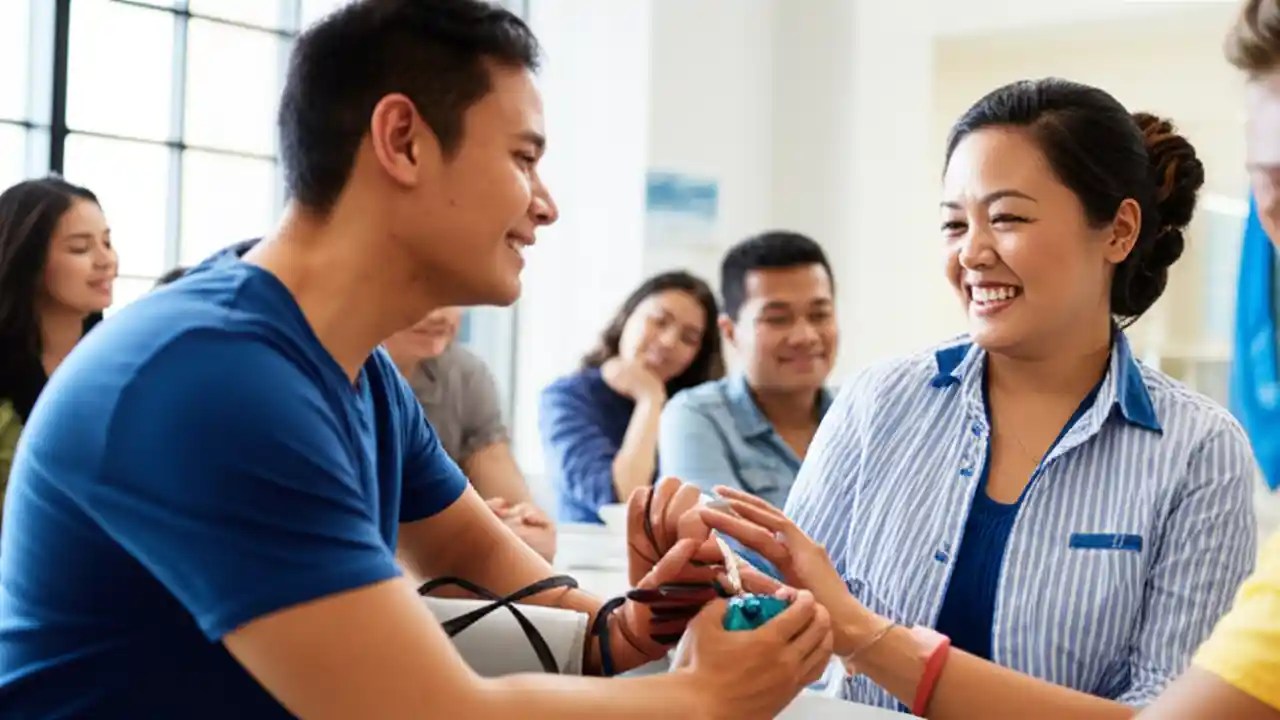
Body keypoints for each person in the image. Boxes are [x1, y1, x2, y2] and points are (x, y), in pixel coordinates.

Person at [0, 2, 831, 718]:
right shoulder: (211, 379)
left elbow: (475, 556)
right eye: (523, 158)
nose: (545, 205)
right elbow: (428, 712)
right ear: (401, 139)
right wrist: (699, 698)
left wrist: (624, 623)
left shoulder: (354, 371)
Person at [699, 78, 1259, 718]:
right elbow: (781, 615)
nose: (971, 252)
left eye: (1008, 218)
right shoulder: (880, 403)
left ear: (1118, 231)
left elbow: (1169, 712)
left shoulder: (1199, 452)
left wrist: (868, 638)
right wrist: (683, 592)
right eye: (954, 223)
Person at [659, 231, 837, 509]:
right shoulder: (695, 416)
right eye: (777, 319)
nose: (805, 336)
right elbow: (722, 537)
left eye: (820, 315)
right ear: (730, 332)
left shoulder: (861, 414)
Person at [540, 271, 724, 524]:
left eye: (689, 338)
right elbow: (621, 500)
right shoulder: (567, 397)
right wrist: (649, 401)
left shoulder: (694, 411)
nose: (669, 341)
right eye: (660, 321)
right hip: (590, 553)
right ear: (627, 316)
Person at [384, 306, 556, 561]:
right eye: (421, 288)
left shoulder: (462, 373)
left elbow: (509, 501)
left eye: (452, 294)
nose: (438, 314)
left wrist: (524, 527)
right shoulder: (324, 371)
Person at [0, 177, 116, 521]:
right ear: (29, 261)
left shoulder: (121, 362)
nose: (105, 260)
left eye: (107, 243)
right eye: (81, 248)